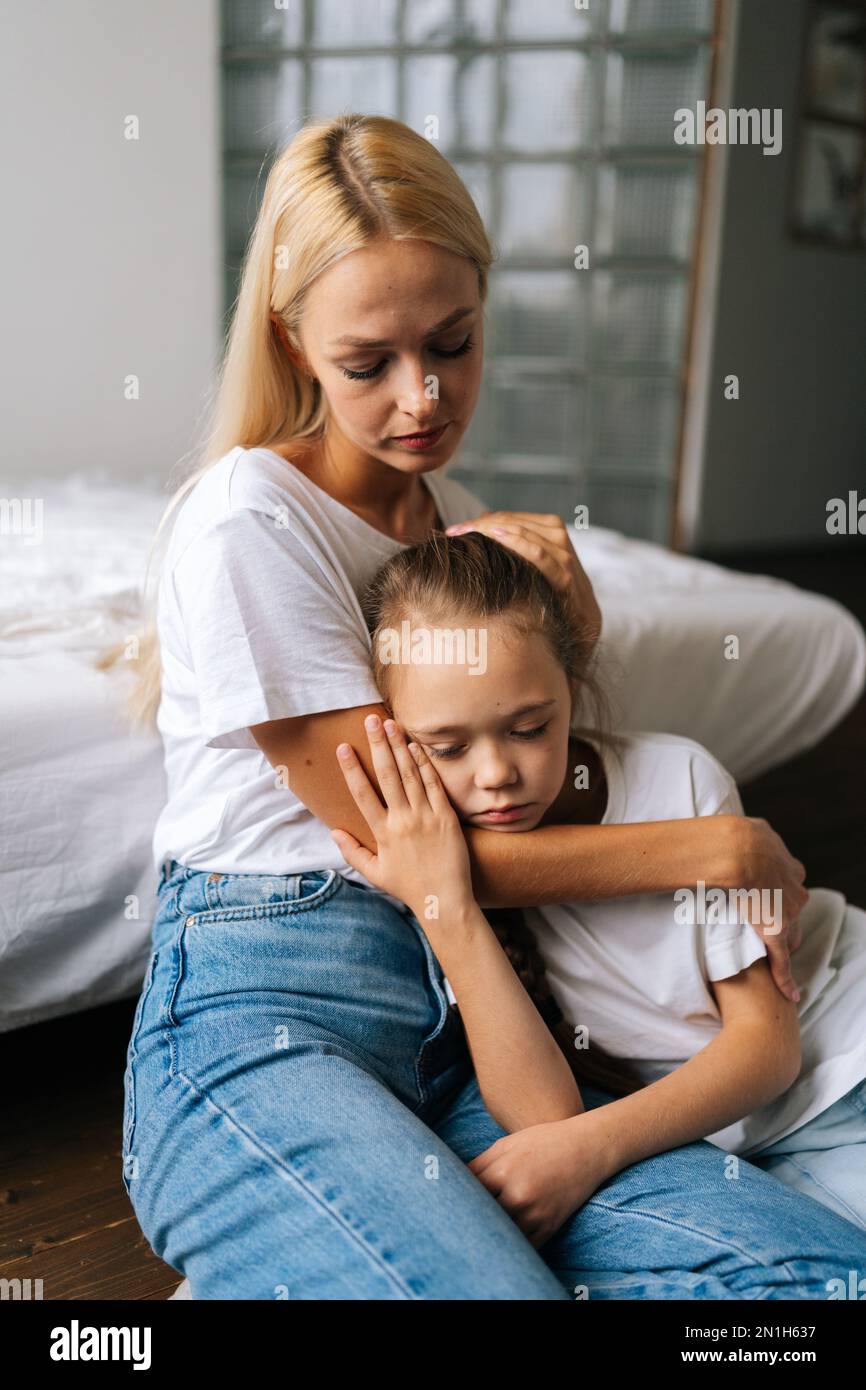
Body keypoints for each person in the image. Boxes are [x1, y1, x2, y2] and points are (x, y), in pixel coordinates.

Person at [110, 112, 866, 1298]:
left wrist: (584, 624)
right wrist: (719, 845)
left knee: (824, 1281)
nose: (422, 398)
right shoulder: (248, 517)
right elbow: (417, 849)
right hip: (275, 1006)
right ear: (292, 342)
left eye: (452, 343)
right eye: (369, 364)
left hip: (481, 1023)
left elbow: (522, 745)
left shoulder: (439, 515)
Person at [336, 528, 866, 1246]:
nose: (495, 774)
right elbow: (541, 1114)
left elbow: (767, 1050)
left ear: (572, 694)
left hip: (843, 1067)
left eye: (529, 728)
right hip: (747, 1141)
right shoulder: (440, 864)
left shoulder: (678, 782)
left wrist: (591, 1146)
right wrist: (447, 909)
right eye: (449, 748)